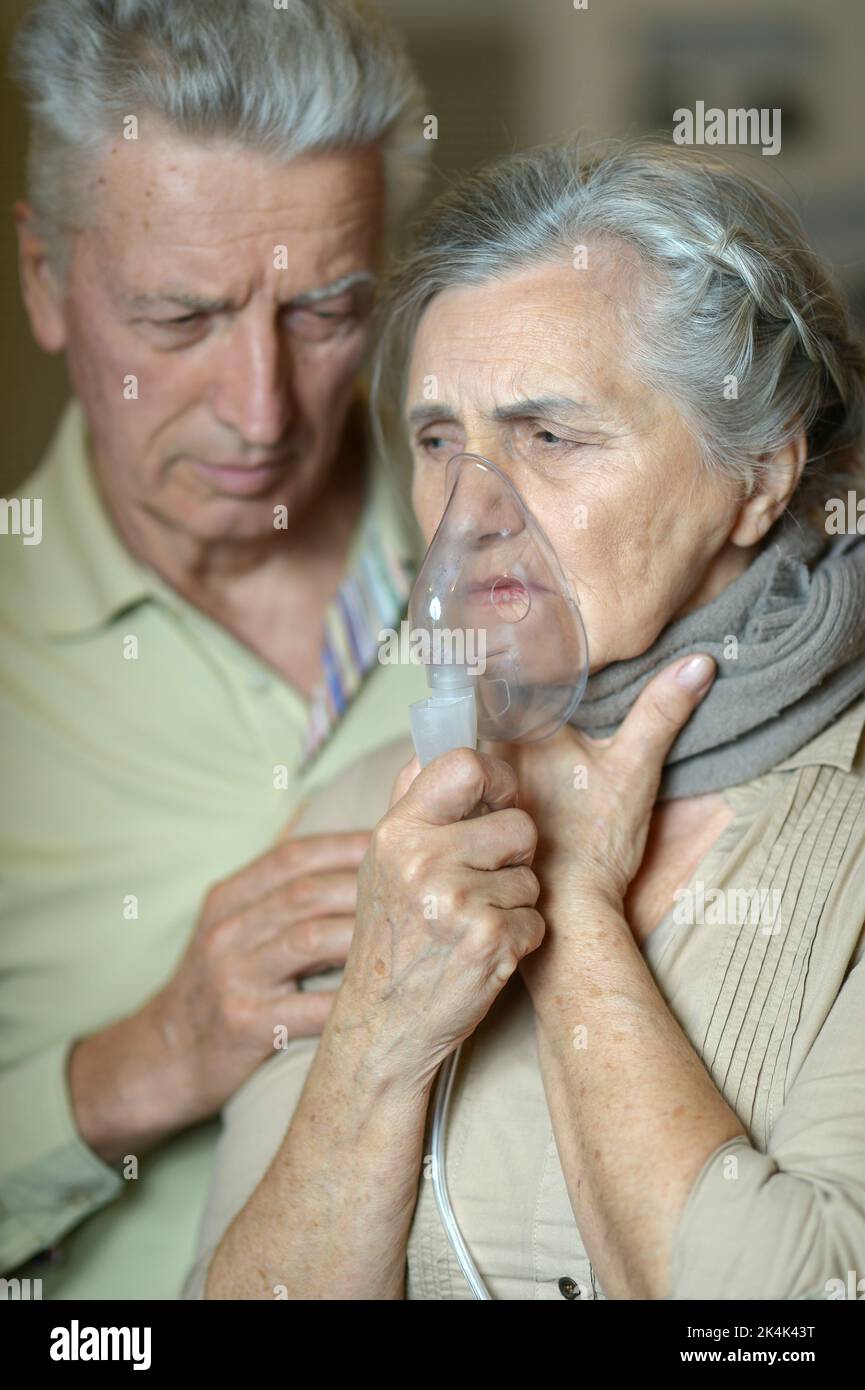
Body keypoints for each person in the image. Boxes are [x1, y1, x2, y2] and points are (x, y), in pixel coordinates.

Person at [184, 138, 865, 1301]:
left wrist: (578, 909)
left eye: (548, 436)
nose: (470, 509)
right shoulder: (375, 823)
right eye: (439, 440)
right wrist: (379, 1035)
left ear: (756, 474)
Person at [0, 0, 430, 1298]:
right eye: (181, 320)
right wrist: (141, 1063)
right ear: (42, 281)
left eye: (324, 313)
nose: (260, 411)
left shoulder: (555, 563)